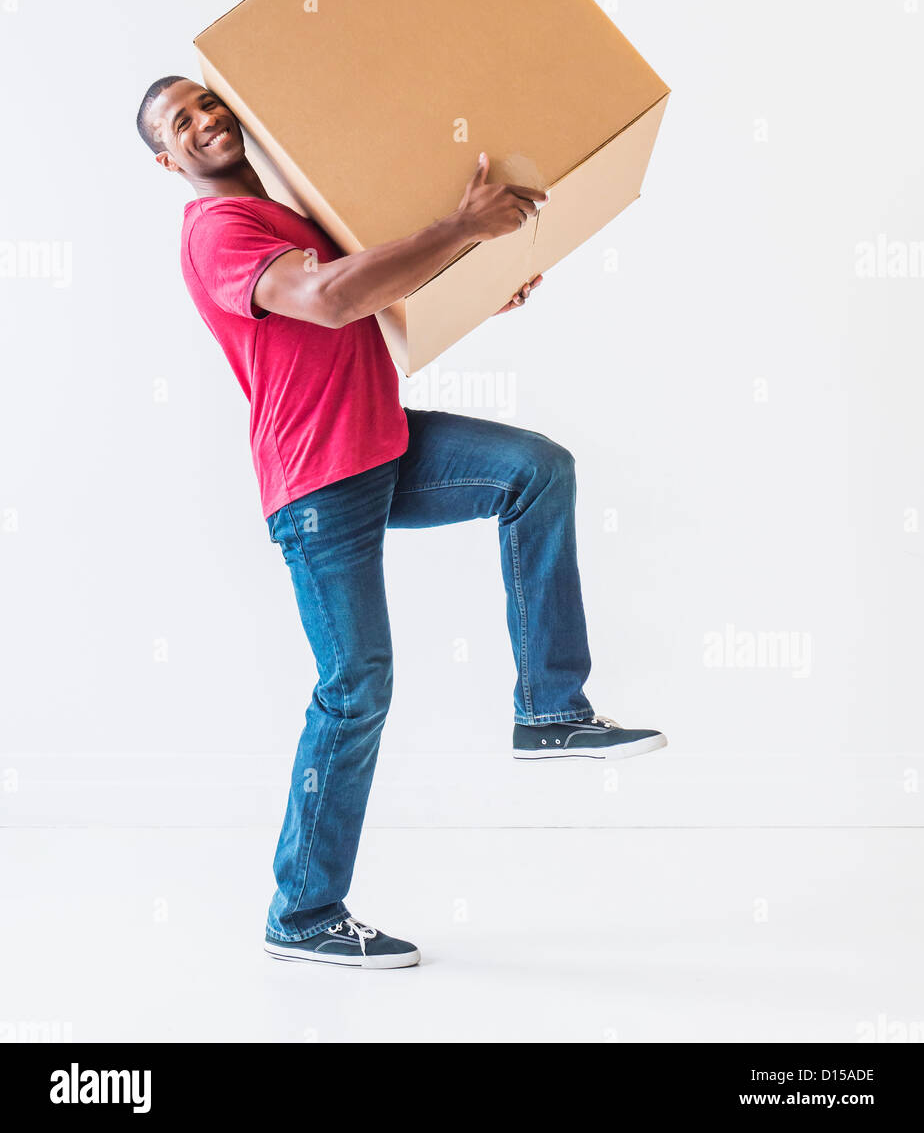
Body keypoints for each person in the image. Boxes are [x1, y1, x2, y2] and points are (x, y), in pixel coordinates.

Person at [136, 74, 667, 970]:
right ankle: (302, 913)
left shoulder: (290, 211)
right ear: (167, 158)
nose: (206, 122)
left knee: (536, 471)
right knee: (355, 690)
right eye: (181, 123)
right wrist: (462, 227)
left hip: (379, 444)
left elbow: (371, 304)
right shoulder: (219, 231)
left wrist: (474, 286)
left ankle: (549, 708)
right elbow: (331, 300)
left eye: (209, 103)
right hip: (317, 481)